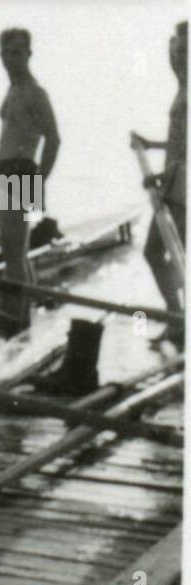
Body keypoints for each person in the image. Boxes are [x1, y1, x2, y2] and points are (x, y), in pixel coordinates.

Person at [0, 28, 60, 329]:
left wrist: (39, 180)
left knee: (12, 255)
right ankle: (26, 317)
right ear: (1, 56)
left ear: (29, 54)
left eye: (18, 52)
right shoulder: (13, 89)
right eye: (7, 53)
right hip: (7, 171)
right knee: (18, 250)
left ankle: (14, 322)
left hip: (21, 170)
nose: (12, 59)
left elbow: (54, 138)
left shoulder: (35, 92)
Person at [133, 20, 187, 348]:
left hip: (182, 185)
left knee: (156, 251)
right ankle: (179, 318)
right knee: (173, 253)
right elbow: (179, 141)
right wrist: (151, 145)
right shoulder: (182, 86)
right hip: (176, 181)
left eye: (186, 53)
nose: (179, 58)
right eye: (176, 52)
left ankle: (178, 319)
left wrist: (160, 177)